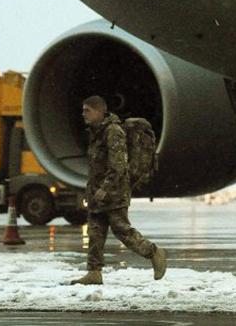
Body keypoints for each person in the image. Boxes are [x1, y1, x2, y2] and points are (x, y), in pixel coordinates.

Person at [70, 95, 166, 285]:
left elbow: (118, 166)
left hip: (113, 194)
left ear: (99, 111)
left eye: (87, 110)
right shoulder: (96, 132)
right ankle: (94, 272)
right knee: (95, 234)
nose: (83, 114)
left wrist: (105, 189)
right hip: (97, 193)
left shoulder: (113, 132)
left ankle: (154, 252)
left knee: (122, 230)